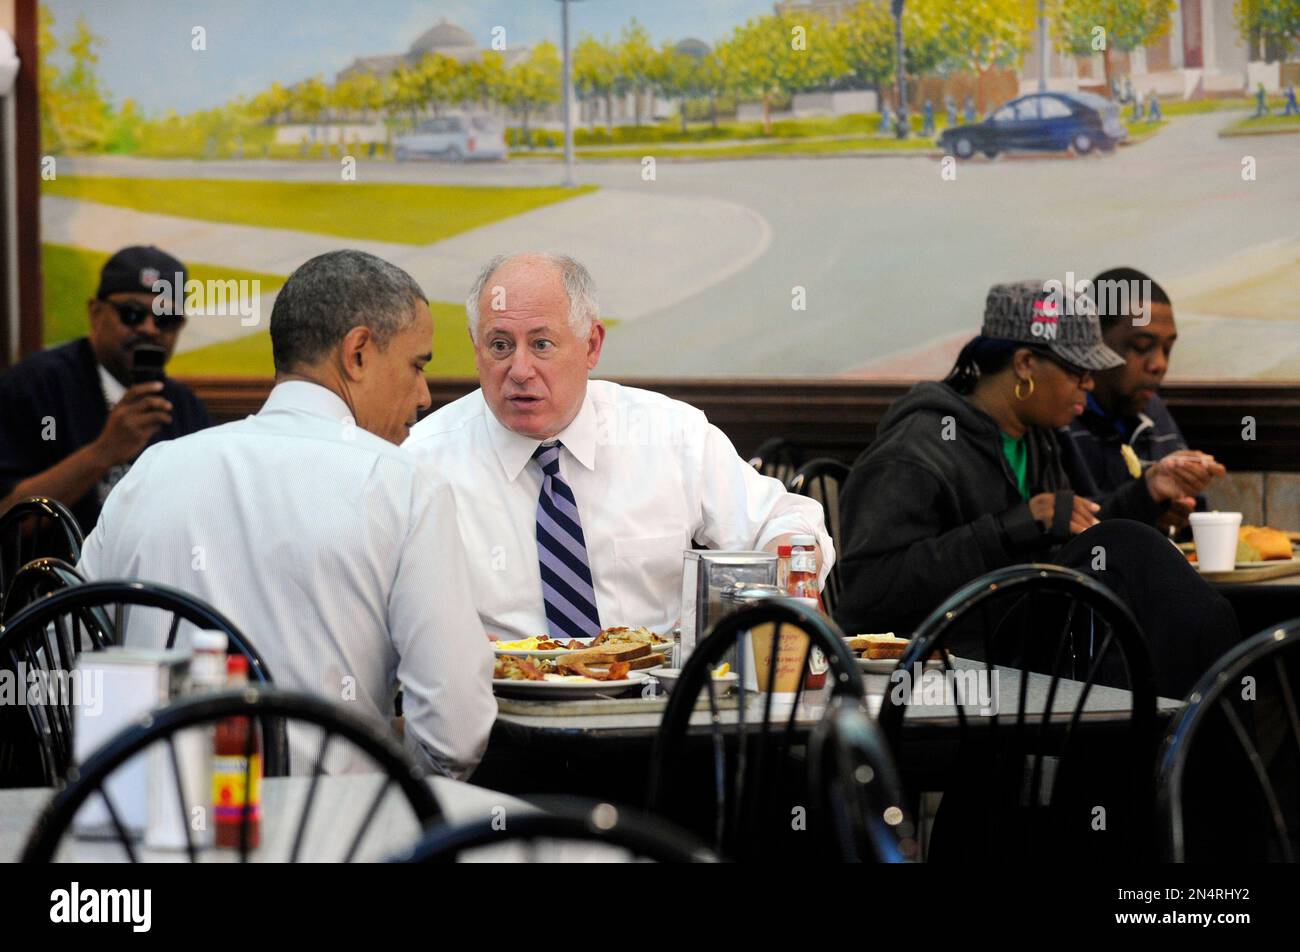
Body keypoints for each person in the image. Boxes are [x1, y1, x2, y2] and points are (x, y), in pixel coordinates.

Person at [77, 250, 495, 778]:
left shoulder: (151, 469)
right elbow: (456, 736)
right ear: (359, 353)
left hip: (146, 829)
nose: (423, 395)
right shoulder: (404, 486)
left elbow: (65, 645)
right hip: (336, 836)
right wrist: (365, 764)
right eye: (417, 365)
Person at [836, 280, 1236, 699]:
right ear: (1025, 363)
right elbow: (867, 592)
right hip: (949, 677)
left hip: (1026, 657)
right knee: (1146, 622)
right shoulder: (914, 450)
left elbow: (1079, 539)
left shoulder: (1035, 437)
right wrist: (1011, 529)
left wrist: (1146, 493)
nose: (1089, 384)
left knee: (1148, 594)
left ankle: (1180, 734)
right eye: (1077, 370)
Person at [404, 252, 833, 641]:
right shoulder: (421, 463)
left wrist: (744, 607)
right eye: (500, 345)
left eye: (541, 344)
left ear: (591, 345)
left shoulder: (669, 433)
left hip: (660, 706)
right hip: (501, 710)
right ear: (476, 349)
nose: (519, 369)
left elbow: (788, 520)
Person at [0, 246, 211, 531]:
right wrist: (104, 451)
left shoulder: (183, 406)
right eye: (132, 314)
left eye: (165, 319)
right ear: (95, 312)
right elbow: (9, 517)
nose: (150, 329)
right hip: (60, 572)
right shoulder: (36, 386)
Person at [1060, 267, 1224, 535]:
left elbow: (1188, 513)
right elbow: (1070, 535)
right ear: (1093, 343)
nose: (1159, 364)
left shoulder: (1151, 409)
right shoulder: (1058, 416)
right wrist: (1144, 495)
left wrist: (1178, 510)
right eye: (1141, 346)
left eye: (1167, 349)